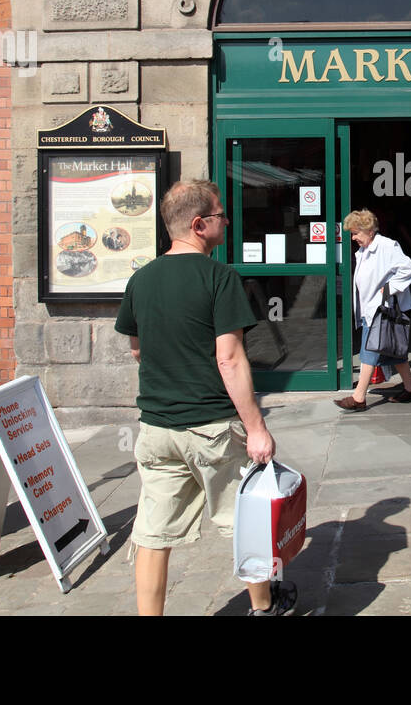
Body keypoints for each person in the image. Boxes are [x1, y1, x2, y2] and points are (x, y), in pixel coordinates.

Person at [115, 180, 296, 616]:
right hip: (212, 428)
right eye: (220, 214)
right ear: (199, 225)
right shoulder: (220, 277)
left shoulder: (141, 279)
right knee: (246, 519)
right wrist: (256, 428)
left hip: (156, 428)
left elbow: (138, 349)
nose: (226, 220)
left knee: (153, 533)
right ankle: (263, 606)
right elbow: (230, 359)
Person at [335, 209, 411, 411]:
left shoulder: (387, 246)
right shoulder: (364, 249)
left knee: (369, 350)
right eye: (352, 234)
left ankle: (359, 397)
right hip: (371, 308)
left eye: (356, 233)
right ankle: (410, 388)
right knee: (394, 351)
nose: (353, 238)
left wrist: (388, 289)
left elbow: (409, 269)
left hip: (381, 309)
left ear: (370, 230)